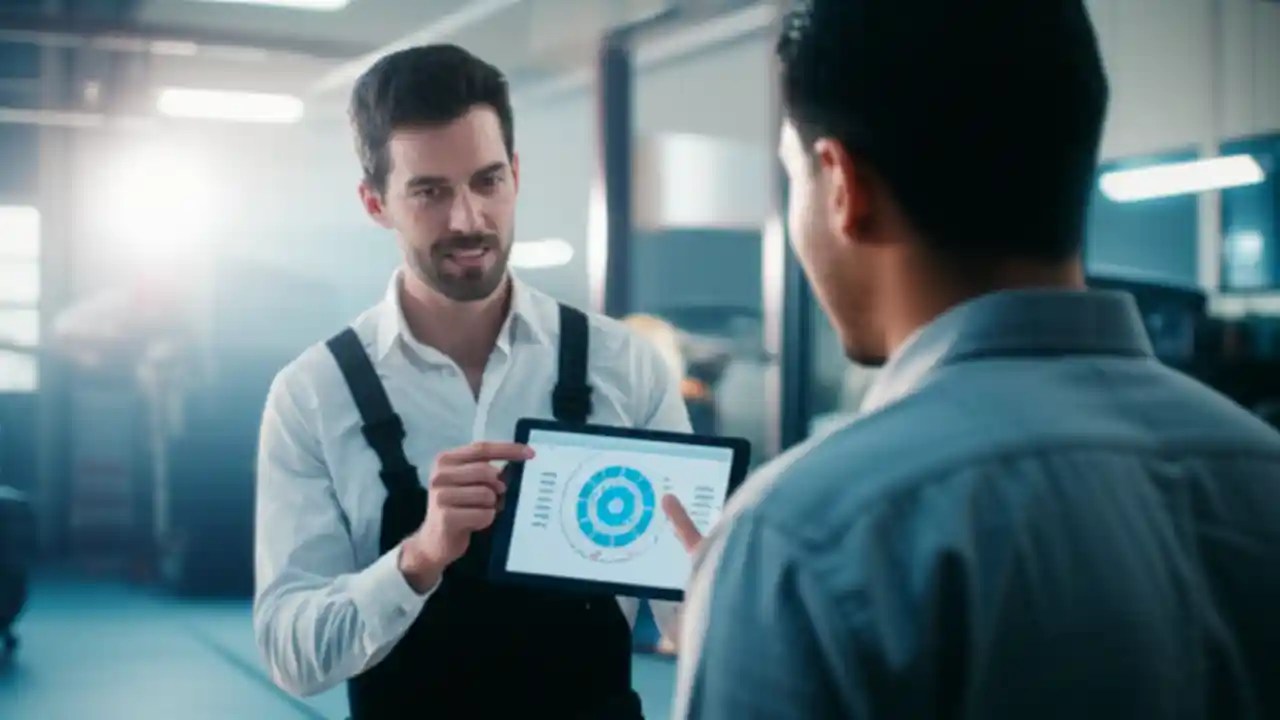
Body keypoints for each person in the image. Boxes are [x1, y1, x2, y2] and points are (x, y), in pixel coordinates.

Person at [663, 1, 1280, 718]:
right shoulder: (1261, 469)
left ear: (841, 185)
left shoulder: (802, 539)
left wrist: (741, 623)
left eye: (792, 178)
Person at [252, 44, 688, 719]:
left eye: (487, 181)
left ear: (515, 174)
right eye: (429, 192)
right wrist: (417, 560)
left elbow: (693, 612)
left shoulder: (624, 369)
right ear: (376, 203)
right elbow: (291, 653)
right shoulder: (314, 394)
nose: (467, 220)